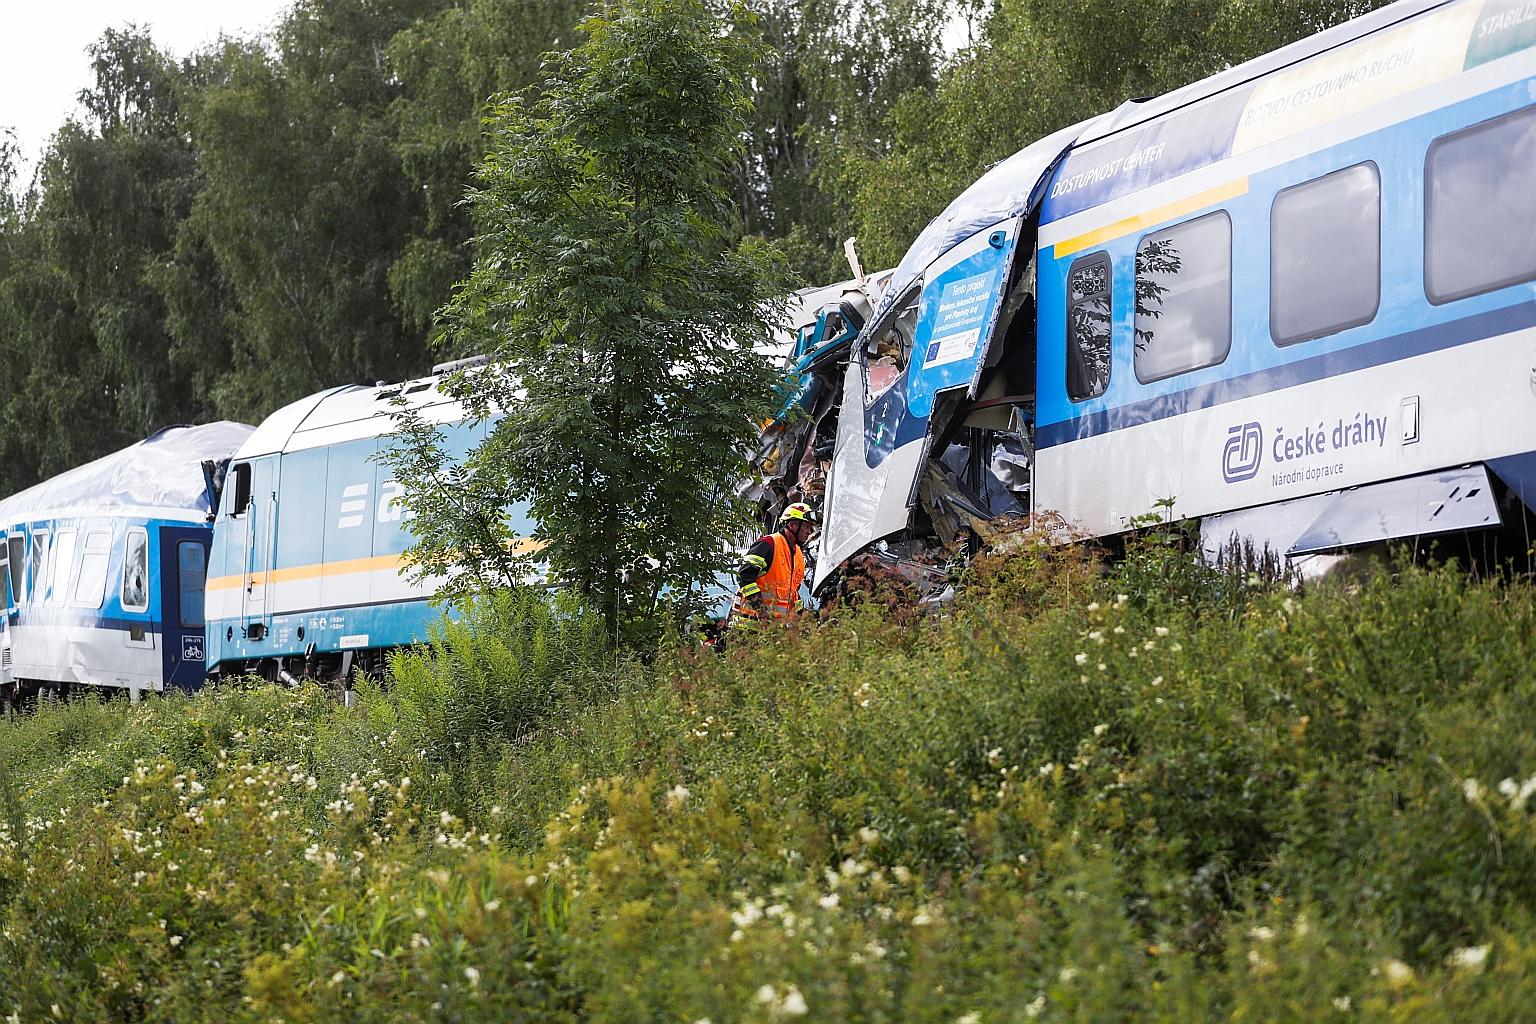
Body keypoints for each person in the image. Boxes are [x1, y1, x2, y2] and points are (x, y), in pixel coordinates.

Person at [732, 502, 816, 622]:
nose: (810, 532)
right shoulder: (768, 544)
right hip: (748, 626)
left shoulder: (798, 554)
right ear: (793, 525)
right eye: (807, 527)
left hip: (775, 629)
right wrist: (760, 610)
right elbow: (744, 575)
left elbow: (792, 594)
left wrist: (801, 617)